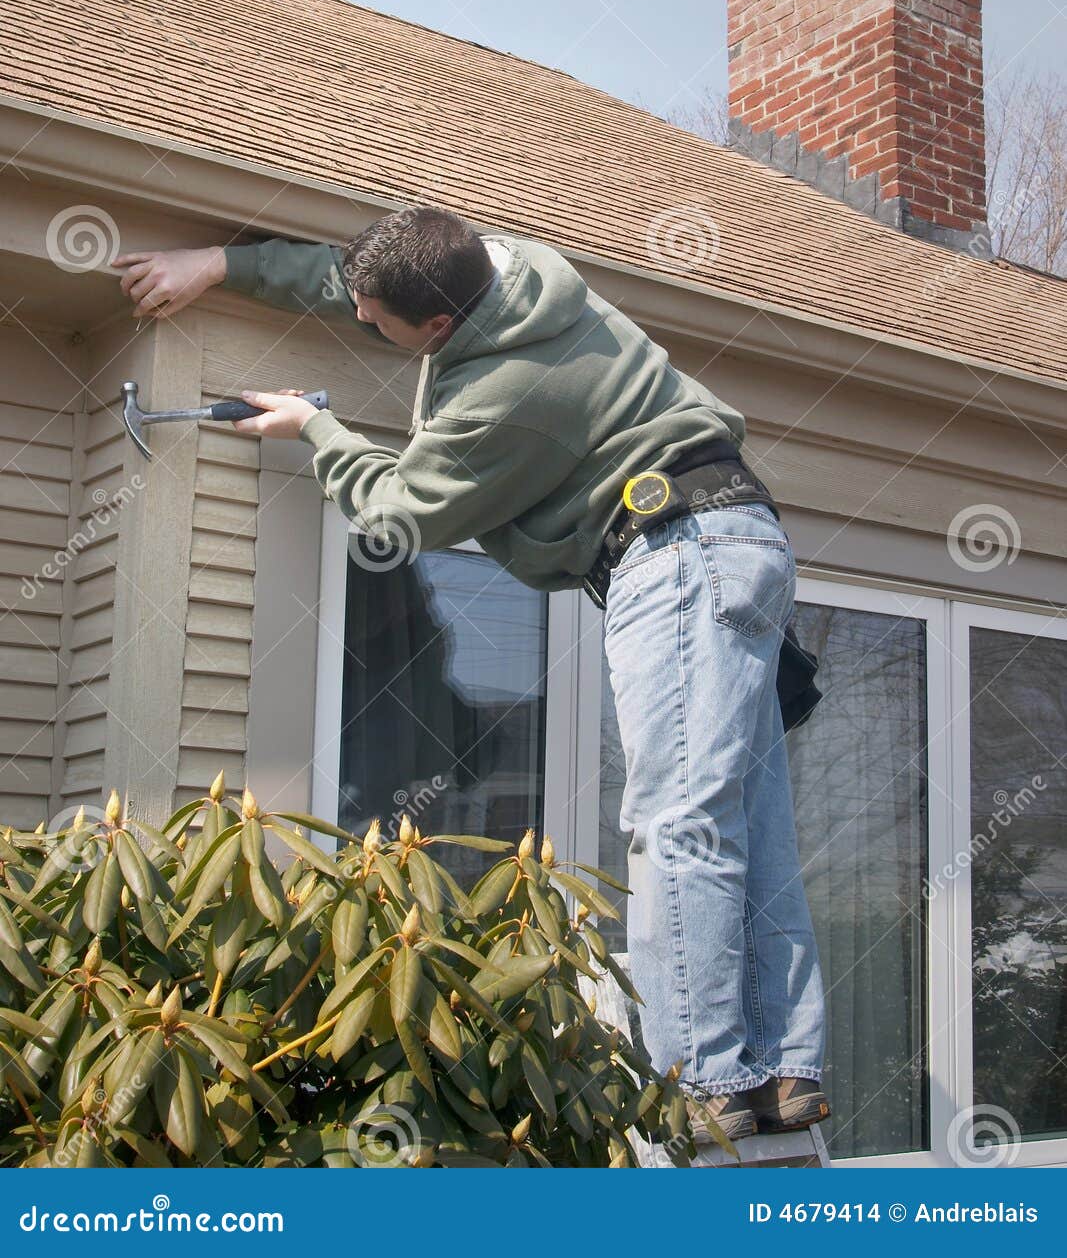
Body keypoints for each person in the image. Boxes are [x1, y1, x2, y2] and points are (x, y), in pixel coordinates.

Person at [113, 205, 827, 1142]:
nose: (360, 322)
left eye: (379, 323)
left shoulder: (504, 393)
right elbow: (362, 281)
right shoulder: (507, 264)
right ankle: (783, 1069)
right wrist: (218, 263)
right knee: (741, 820)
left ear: (442, 324)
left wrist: (318, 430)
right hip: (736, 536)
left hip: (673, 555)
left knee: (674, 822)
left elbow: (400, 514)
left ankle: (700, 1079)